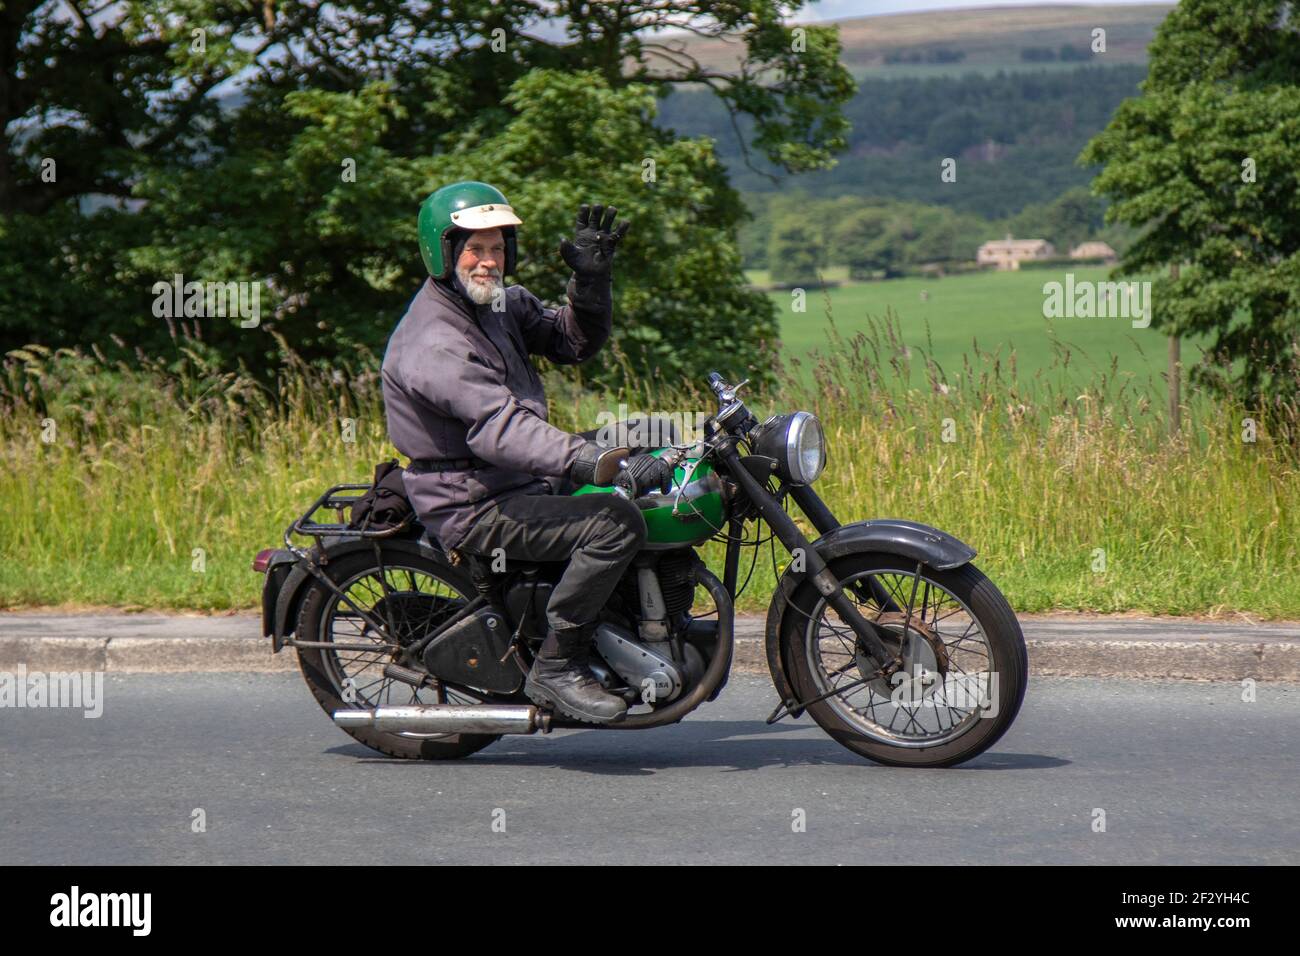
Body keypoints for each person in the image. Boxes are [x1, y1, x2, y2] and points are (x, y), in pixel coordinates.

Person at [380, 181, 677, 724]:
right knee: (615, 523)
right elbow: (501, 426)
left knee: (645, 432)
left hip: (515, 478)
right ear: (442, 252)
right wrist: (588, 460)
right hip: (473, 501)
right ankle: (557, 665)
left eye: (497, 249)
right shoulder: (435, 342)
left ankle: (632, 622)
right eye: (475, 249)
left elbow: (570, 340)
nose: (488, 262)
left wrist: (591, 281)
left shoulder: (497, 305)